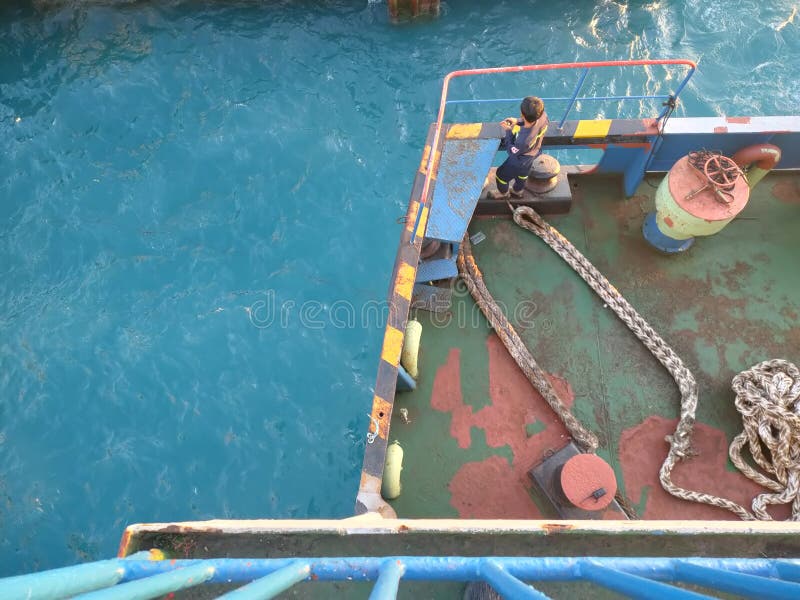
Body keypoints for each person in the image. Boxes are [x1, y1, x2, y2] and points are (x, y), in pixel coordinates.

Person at [487, 96, 549, 199]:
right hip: (533, 154)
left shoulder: (523, 140)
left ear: (522, 114)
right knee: (522, 175)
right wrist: (517, 121)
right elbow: (532, 122)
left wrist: (508, 131)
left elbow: (511, 150)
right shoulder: (543, 116)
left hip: (519, 161)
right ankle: (517, 191)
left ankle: (504, 193)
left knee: (501, 176)